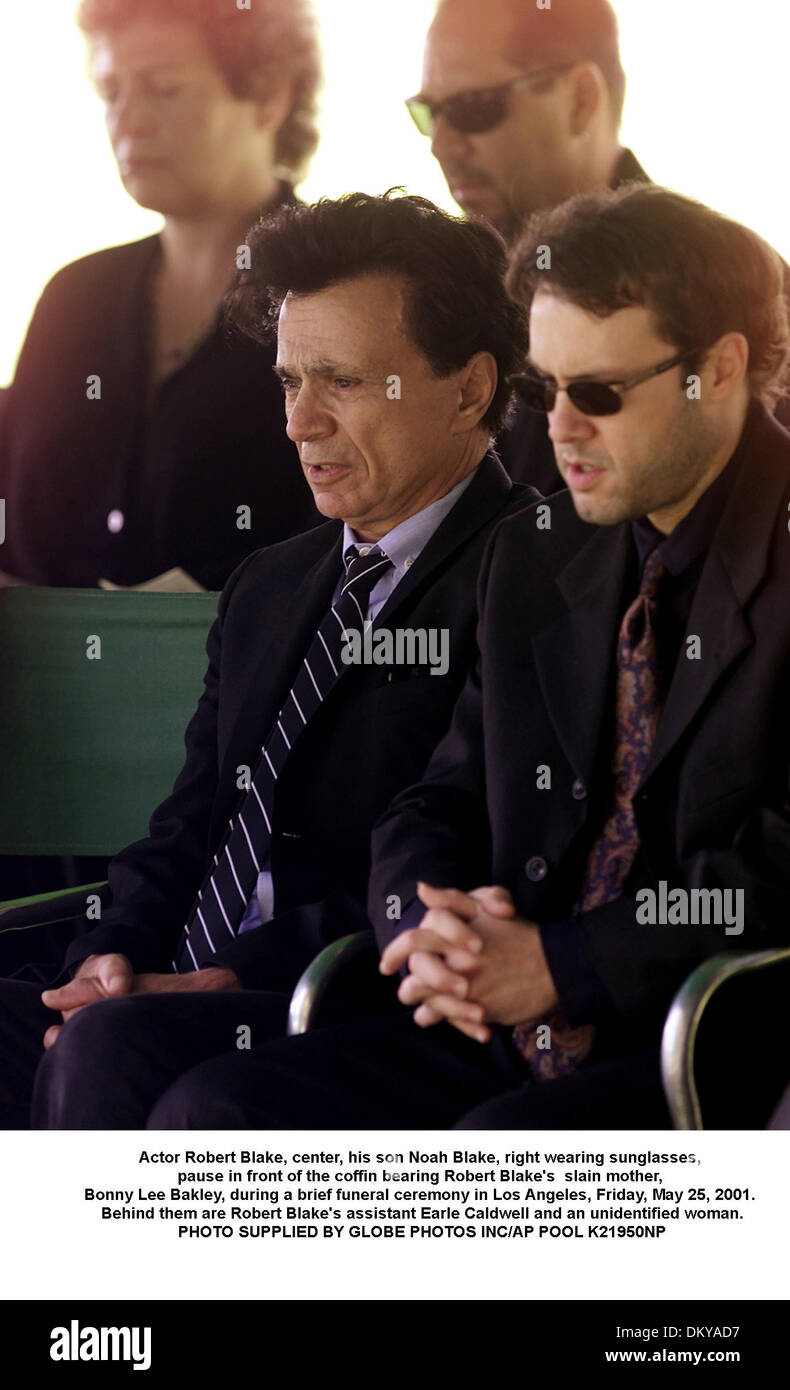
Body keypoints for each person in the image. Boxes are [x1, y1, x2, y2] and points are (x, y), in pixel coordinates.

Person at [145, 185, 790, 1130]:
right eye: (548, 390)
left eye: (600, 393)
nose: (560, 430)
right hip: (494, 1029)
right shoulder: (539, 547)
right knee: (219, 1109)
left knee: (491, 1153)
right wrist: (422, 923)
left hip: (718, 1047)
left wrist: (564, 964)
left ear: (722, 369)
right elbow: (439, 798)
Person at [0, 190, 535, 1128]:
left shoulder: (535, 578)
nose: (300, 423)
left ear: (470, 389)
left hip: (341, 998)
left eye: (344, 381)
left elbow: (477, 862)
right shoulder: (270, 584)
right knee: (74, 1021)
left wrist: (224, 976)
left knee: (107, 1048)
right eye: (290, 382)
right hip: (174, 979)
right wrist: (115, 954)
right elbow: (190, 823)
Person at [0, 0, 323, 592]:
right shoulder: (73, 297)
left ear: (269, 97)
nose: (128, 119)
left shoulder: (334, 291)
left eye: (164, 89)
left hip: (246, 678)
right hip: (39, 677)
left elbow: (368, 532)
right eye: (111, 91)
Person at [408, 0, 646, 494]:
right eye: (428, 113)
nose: (441, 144)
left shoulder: (714, 289)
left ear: (580, 100)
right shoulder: (444, 290)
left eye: (474, 108)